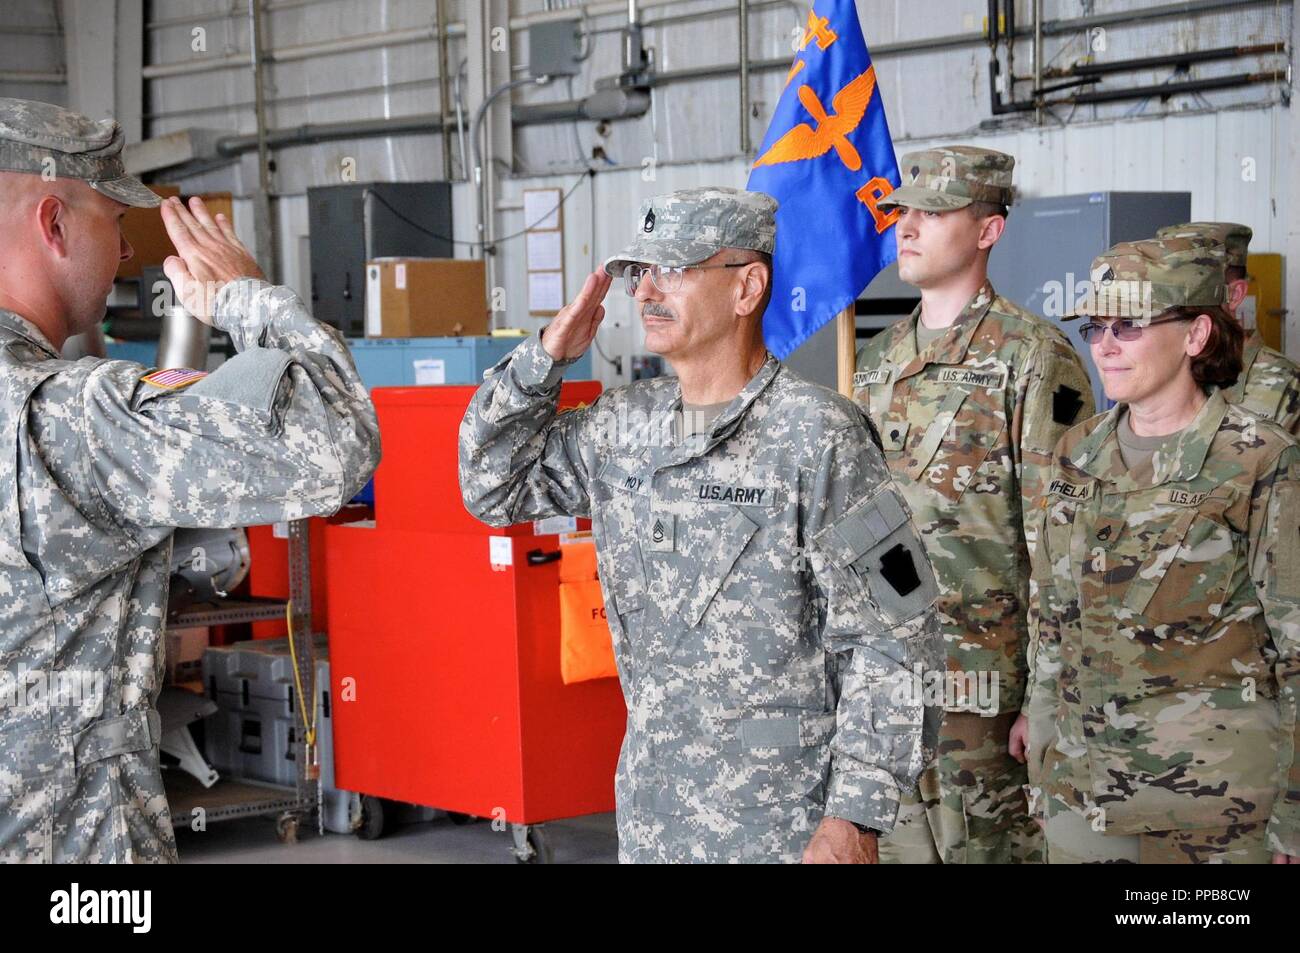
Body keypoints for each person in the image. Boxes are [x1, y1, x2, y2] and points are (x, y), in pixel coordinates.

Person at [459, 186, 944, 863]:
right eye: (641, 273)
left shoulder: (820, 438)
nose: (648, 291)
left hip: (786, 829)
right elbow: (491, 483)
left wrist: (855, 815)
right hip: (657, 822)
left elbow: (898, 635)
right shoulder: (624, 427)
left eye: (677, 270)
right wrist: (544, 359)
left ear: (748, 287)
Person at [0, 97, 381, 863]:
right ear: (54, 225)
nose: (130, 256)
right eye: (115, 222)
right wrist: (250, 297)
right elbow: (337, 441)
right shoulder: (74, 414)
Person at [853, 146, 1094, 864]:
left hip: (984, 698)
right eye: (904, 211)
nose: (908, 226)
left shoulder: (1034, 357)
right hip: (887, 689)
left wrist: (1046, 698)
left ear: (988, 230)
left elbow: (1066, 544)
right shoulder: (877, 360)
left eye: (933, 211)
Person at [1024, 237, 1300, 864]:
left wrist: (1295, 811)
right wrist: (1042, 743)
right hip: (1082, 789)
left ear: (1197, 334)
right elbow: (1053, 616)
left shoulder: (1260, 459)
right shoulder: (1077, 451)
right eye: (1097, 326)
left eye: (1130, 324)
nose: (1105, 345)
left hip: (1213, 804)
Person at [1156, 221, 1300, 435]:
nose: (1172, 306)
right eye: (1164, 293)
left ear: (1234, 295)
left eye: (1191, 291)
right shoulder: (1155, 370)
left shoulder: (1287, 387)